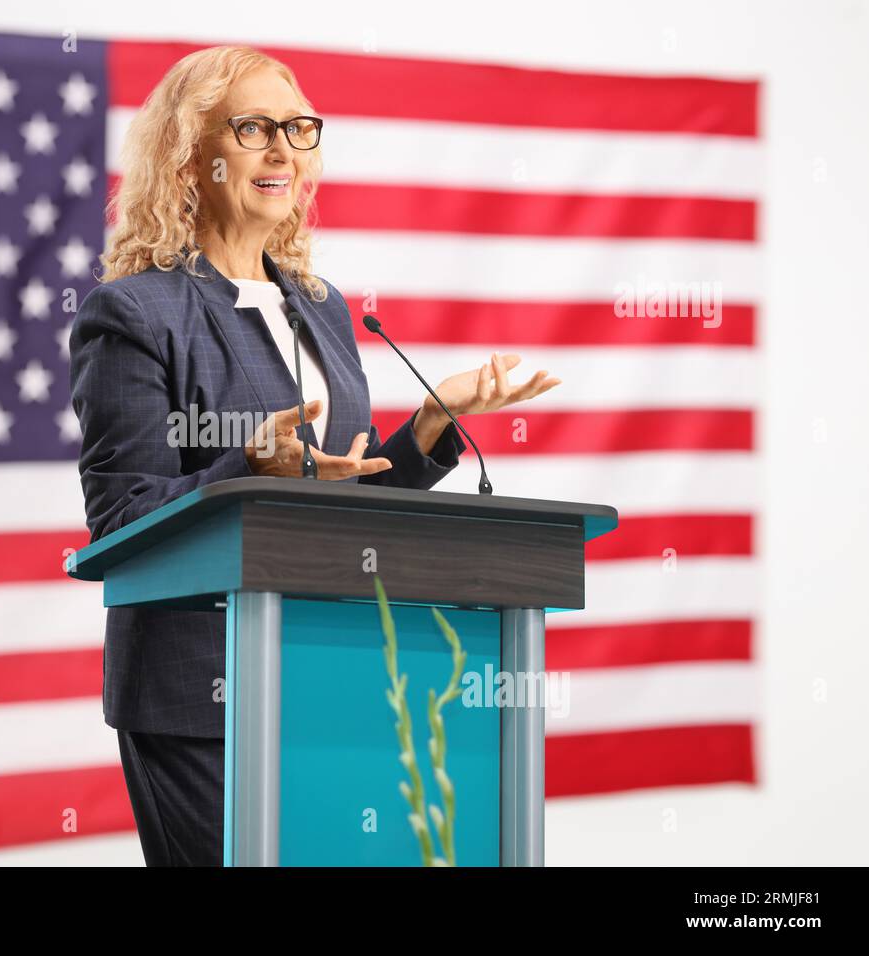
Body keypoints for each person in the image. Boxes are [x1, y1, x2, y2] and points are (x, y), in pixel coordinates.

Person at [67, 46, 560, 866]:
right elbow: (121, 521)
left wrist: (434, 424)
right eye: (254, 127)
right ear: (191, 155)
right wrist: (244, 471)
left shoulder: (322, 310)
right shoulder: (135, 314)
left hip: (332, 679)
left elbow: (343, 492)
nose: (283, 151)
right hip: (202, 697)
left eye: (299, 130)